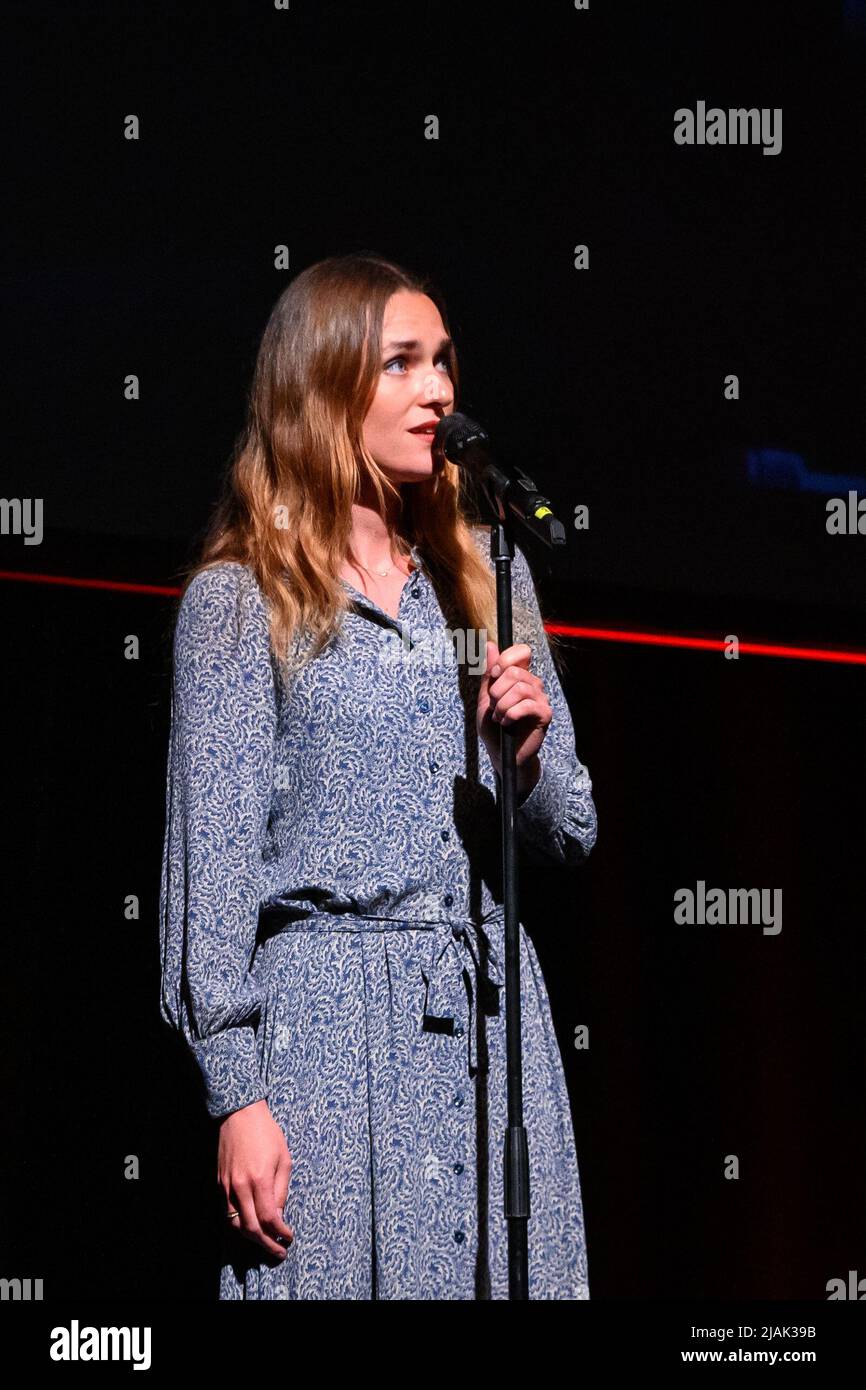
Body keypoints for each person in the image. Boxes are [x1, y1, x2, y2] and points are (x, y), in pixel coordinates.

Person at [158, 252, 598, 1300]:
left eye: (442, 361)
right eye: (400, 362)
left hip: (489, 1024)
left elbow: (572, 823)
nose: (438, 390)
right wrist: (237, 1098)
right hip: (326, 1037)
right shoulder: (240, 599)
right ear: (323, 385)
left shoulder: (488, 572)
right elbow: (208, 877)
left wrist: (523, 760)